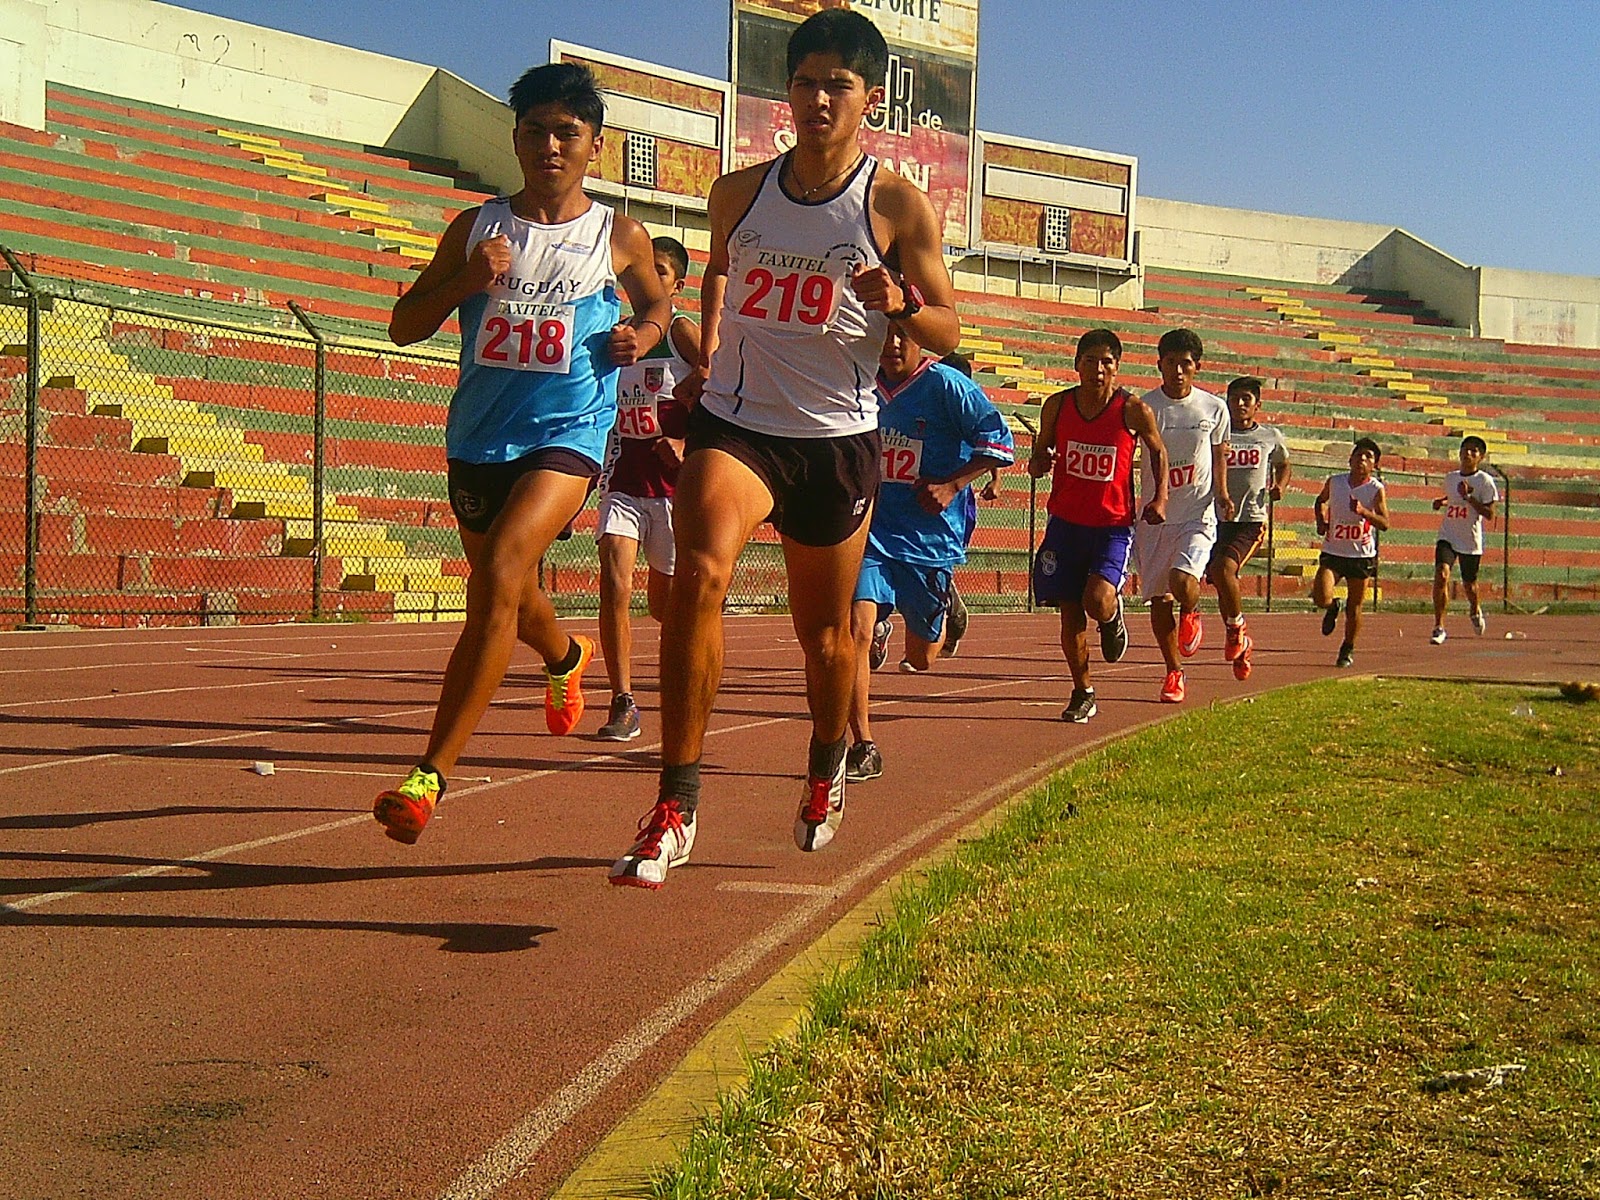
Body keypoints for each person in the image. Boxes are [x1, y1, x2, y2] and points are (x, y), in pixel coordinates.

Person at [608, 9, 960, 888]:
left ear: (868, 99)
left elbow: (950, 327)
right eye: (803, 81)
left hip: (835, 441)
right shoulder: (737, 193)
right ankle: (675, 802)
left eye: (837, 84)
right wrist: (712, 358)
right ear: (786, 93)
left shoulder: (894, 203)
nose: (816, 99)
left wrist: (903, 301)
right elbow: (723, 269)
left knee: (826, 639)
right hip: (737, 424)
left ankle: (824, 760)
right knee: (701, 576)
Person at [373, 63, 670, 844]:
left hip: (568, 433)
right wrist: (466, 281)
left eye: (567, 133)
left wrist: (642, 334)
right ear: (515, 139)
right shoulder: (476, 230)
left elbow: (657, 306)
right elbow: (404, 324)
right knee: (506, 586)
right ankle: (566, 654)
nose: (550, 145)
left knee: (502, 572)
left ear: (594, 147)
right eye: (535, 131)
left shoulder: (617, 234)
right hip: (479, 438)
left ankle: (429, 773)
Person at [845, 327, 1014, 780]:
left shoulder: (950, 387)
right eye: (885, 332)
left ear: (921, 339)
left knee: (921, 658)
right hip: (871, 531)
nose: (893, 343)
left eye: (904, 334)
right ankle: (863, 743)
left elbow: (1000, 443)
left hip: (928, 541)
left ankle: (940, 610)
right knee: (854, 631)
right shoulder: (857, 377)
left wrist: (953, 483)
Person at [1027, 328, 1168, 723]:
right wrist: (1041, 463)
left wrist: (1159, 498)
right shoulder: (1057, 406)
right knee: (1069, 613)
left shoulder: (1133, 410)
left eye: (1106, 362)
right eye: (1090, 361)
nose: (1098, 370)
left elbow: (1158, 451)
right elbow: (1039, 459)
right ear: (1077, 366)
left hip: (1111, 526)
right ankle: (1082, 690)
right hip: (1065, 524)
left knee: (1097, 600)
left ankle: (1112, 616)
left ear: (1117, 367)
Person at [594, 236, 698, 740]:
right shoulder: (615, 331)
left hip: (673, 488)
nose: (649, 279)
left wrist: (684, 438)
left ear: (677, 284)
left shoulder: (680, 332)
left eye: (660, 272)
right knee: (615, 578)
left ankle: (684, 682)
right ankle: (622, 701)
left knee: (665, 606)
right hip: (624, 475)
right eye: (643, 269)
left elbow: (723, 386)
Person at [1134, 328, 1231, 704]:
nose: (1177, 371)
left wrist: (1221, 493)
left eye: (1185, 364)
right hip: (1155, 517)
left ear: (1197, 367)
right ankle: (1174, 671)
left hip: (1197, 511)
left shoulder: (1213, 408)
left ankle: (1192, 608)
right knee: (1159, 600)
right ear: (1159, 365)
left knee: (1181, 579)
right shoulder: (1145, 408)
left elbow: (1220, 451)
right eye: (1171, 363)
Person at [1205, 376, 1290, 680]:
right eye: (1235, 398)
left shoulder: (1269, 436)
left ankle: (1236, 626)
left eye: (1246, 399)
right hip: (1216, 519)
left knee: (1225, 569)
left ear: (1257, 405)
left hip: (1250, 520)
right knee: (1219, 578)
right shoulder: (1218, 435)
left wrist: (1279, 485)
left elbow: (1283, 463)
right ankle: (1241, 642)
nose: (1239, 404)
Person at [1312, 437, 1390, 669]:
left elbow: (1385, 523)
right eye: (1359, 455)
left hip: (1360, 555)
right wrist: (1321, 520)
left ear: (1374, 466)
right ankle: (1333, 605)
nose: (1362, 460)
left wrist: (1364, 512)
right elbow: (1320, 501)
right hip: (1334, 550)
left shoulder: (1375, 489)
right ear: (1350, 459)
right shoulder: (1335, 482)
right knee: (1320, 596)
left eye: (1368, 458)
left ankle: (1347, 648)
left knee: (1355, 606)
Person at [1430, 435, 1498, 644]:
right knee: (1442, 575)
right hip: (1448, 534)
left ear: (1481, 456)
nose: (1468, 454)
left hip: (1469, 539)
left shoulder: (1484, 481)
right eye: (1465, 449)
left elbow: (1489, 514)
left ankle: (1475, 609)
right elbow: (1453, 497)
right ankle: (1439, 626)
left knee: (1470, 585)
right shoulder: (1450, 478)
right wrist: (1441, 502)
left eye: (1474, 451)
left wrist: (1469, 498)